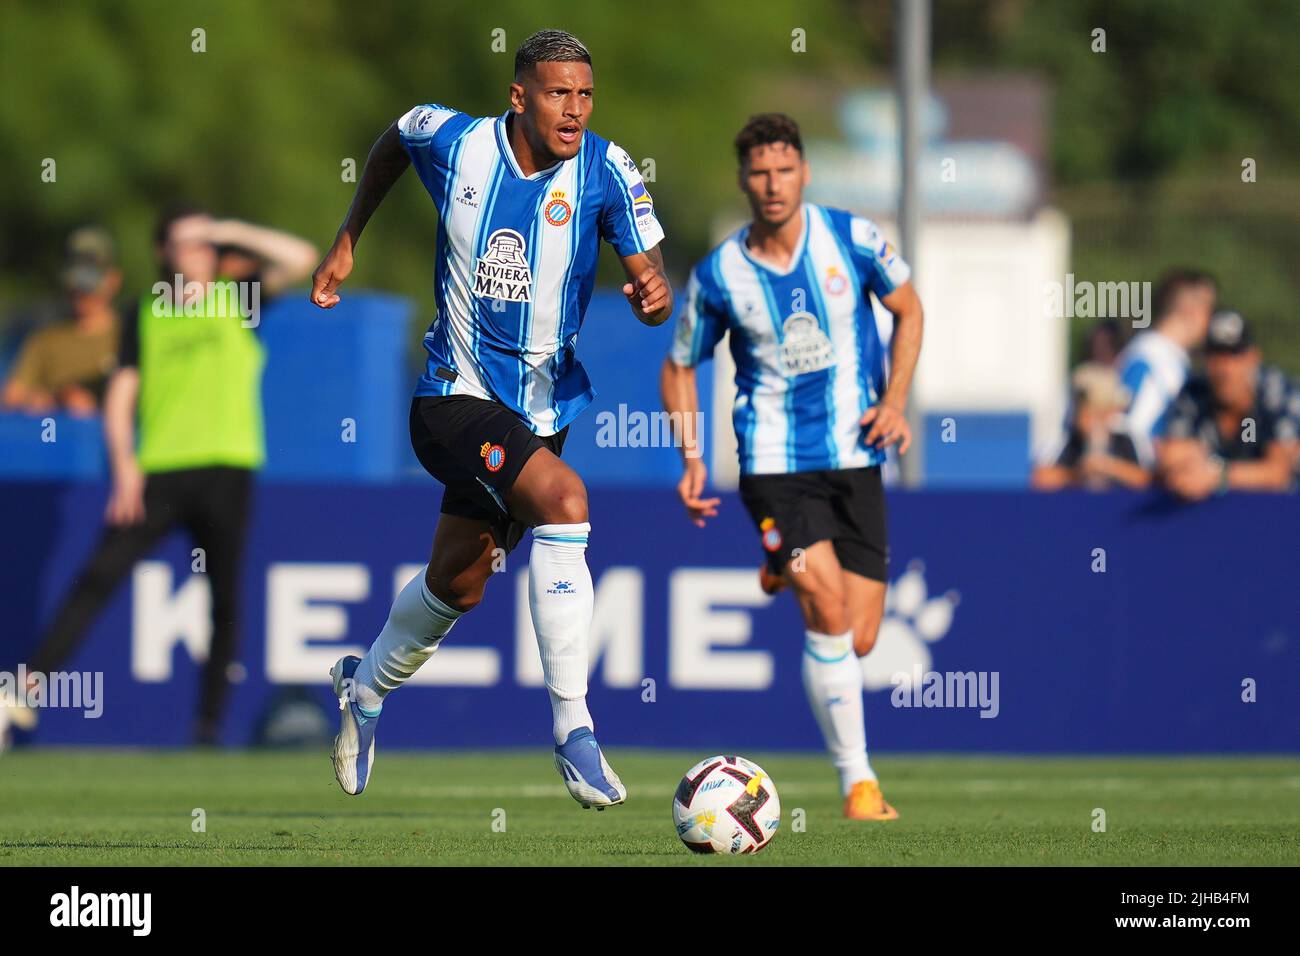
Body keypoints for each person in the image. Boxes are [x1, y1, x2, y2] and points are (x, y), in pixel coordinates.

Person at [310, 29, 672, 807]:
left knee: (461, 582)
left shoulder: (609, 169)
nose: (573, 110)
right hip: (451, 397)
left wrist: (653, 296)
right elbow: (394, 138)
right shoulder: (459, 144)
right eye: (557, 93)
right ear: (520, 96)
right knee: (566, 502)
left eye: (584, 94)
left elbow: (651, 279)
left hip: (541, 408)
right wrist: (347, 239)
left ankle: (363, 691)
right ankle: (574, 732)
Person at [660, 113, 923, 821]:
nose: (771, 185)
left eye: (783, 170)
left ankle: (782, 562)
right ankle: (858, 783)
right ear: (743, 180)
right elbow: (680, 366)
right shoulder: (721, 274)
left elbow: (910, 308)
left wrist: (897, 402)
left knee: (861, 636)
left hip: (858, 455)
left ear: (804, 173)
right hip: (773, 462)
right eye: (758, 173)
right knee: (828, 613)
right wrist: (691, 456)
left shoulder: (853, 239)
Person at [0, 207, 317, 747]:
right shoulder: (145, 311)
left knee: (224, 601)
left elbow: (303, 258)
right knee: (98, 577)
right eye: (184, 242)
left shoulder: (237, 300)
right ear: (162, 253)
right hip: (160, 471)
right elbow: (122, 396)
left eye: (203, 242)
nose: (195, 252)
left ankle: (207, 729)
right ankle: (20, 698)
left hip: (227, 465)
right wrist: (124, 469)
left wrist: (231, 231)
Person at [1159, 310, 1298, 500]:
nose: (1225, 368)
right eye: (1216, 355)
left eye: (1234, 355)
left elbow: (1278, 473)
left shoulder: (1278, 393)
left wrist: (1217, 474)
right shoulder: (1193, 394)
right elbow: (1172, 456)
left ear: (1253, 357)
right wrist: (1186, 467)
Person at [2, 227, 122, 416]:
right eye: (76, 274)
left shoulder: (132, 336)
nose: (83, 287)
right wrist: (56, 399)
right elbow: (11, 398)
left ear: (113, 280)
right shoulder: (45, 341)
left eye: (92, 275)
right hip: (59, 441)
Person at [1117, 269, 1216, 466]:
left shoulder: (1166, 358)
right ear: (1190, 309)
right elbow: (1129, 431)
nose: (1211, 320)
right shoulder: (1154, 359)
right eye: (1210, 309)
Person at [1032, 362, 1149, 490]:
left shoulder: (1127, 436)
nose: (1088, 420)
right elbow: (1040, 478)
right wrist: (1077, 473)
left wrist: (1108, 466)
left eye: (1097, 412)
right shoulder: (1066, 437)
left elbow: (1146, 479)